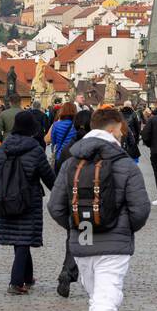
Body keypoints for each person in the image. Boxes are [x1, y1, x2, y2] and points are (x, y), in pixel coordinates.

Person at [48, 106, 151, 311]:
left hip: (83, 240)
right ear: (112, 128)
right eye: (121, 129)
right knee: (106, 302)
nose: (123, 133)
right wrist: (125, 228)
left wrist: (77, 227)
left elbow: (55, 206)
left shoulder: (72, 162)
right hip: (114, 243)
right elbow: (141, 209)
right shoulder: (125, 163)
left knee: (98, 302)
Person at [0, 111, 56, 294]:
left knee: (20, 239)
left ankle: (27, 277)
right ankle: (16, 282)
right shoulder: (35, 149)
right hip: (28, 200)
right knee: (23, 239)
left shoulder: (3, 147)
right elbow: (48, 177)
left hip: (6, 199)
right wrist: (61, 194)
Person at [54, 107, 91, 297]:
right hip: (93, 199)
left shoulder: (69, 149)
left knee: (74, 235)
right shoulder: (97, 148)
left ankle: (69, 271)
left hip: (72, 198)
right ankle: (73, 272)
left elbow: (58, 174)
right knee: (89, 238)